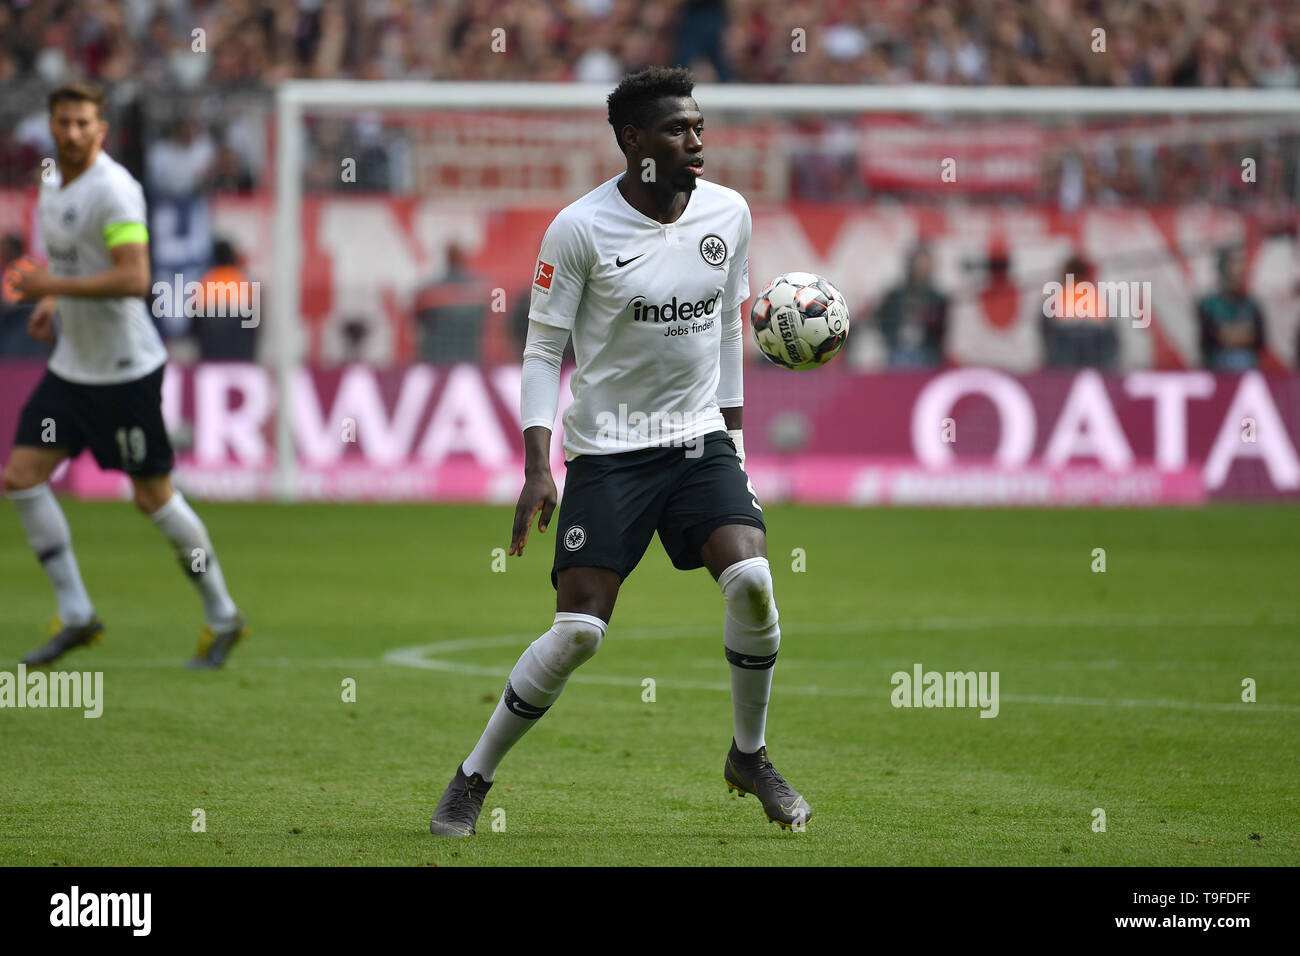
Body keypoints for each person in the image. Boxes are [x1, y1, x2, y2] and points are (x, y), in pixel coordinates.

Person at [429, 66, 811, 836]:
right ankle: (472, 777)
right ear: (633, 141)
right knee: (578, 633)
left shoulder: (730, 214)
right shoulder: (580, 228)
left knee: (754, 581)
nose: (696, 140)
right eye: (677, 129)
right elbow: (542, 351)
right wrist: (539, 466)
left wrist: (734, 446)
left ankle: (750, 755)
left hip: (699, 441)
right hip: (608, 452)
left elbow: (729, 334)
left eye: (699, 126)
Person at [3, 83, 248, 669]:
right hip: (71, 367)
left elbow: (135, 278)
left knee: (152, 497)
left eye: (84, 123)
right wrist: (53, 305)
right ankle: (79, 613)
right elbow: (70, 262)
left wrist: (50, 288)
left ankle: (222, 614)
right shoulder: (52, 181)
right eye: (63, 122)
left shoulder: (115, 191)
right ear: (52, 126)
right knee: (22, 475)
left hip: (123, 373)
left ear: (101, 130)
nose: (72, 133)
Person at [875, 244, 948, 367]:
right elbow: (882, 318)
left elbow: (942, 329)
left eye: (926, 265)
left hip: (928, 353)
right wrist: (891, 338)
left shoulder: (938, 298)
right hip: (898, 351)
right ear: (911, 265)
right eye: (920, 264)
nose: (923, 268)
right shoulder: (895, 295)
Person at [1198, 247, 1266, 371]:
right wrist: (1243, 335)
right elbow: (1209, 338)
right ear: (1222, 272)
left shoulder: (1252, 306)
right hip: (1217, 373)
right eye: (1231, 272)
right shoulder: (1208, 305)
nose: (1236, 277)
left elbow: (1259, 339)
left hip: (1248, 374)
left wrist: (1227, 334)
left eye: (1240, 271)